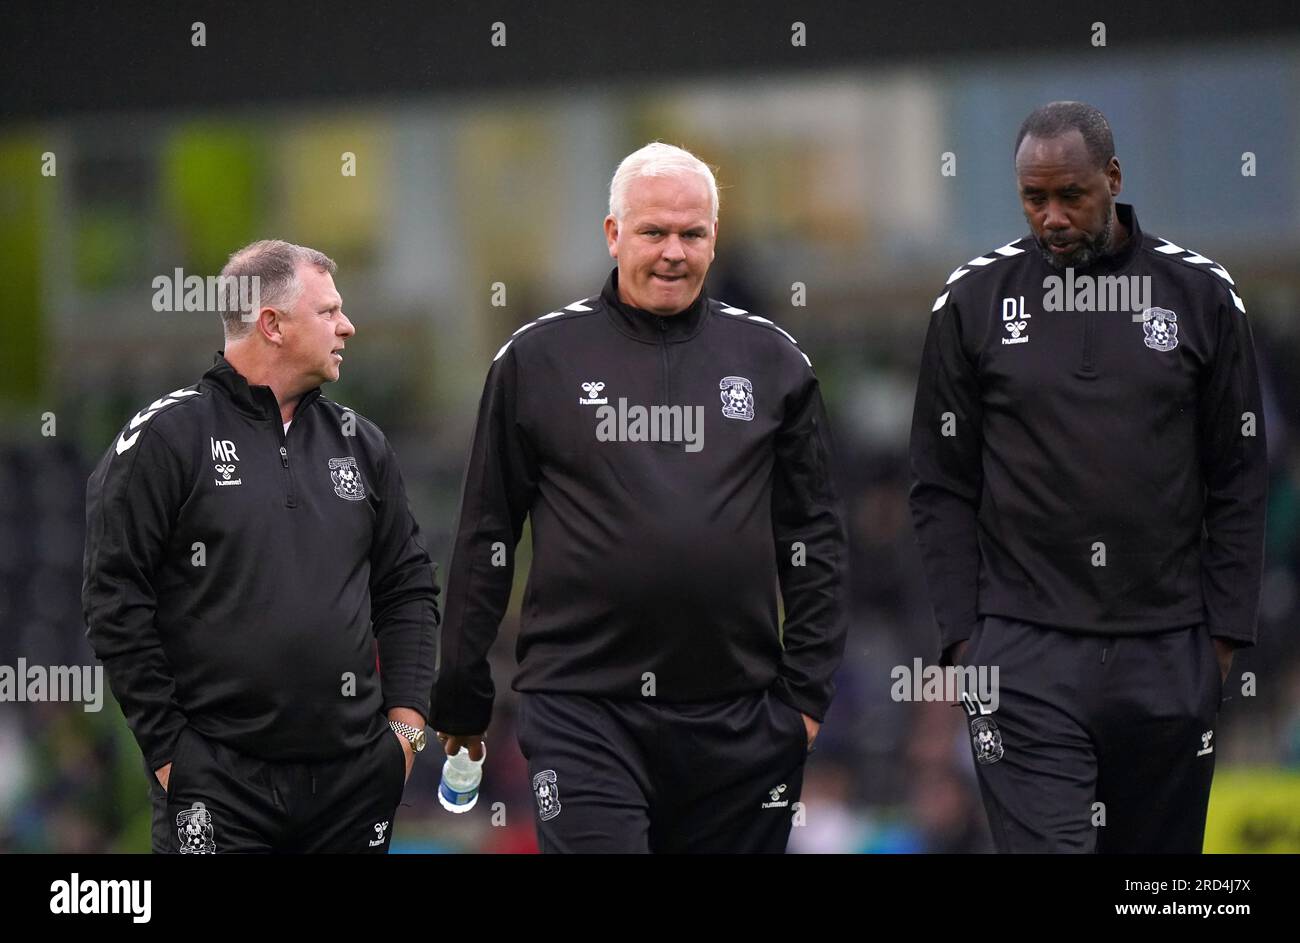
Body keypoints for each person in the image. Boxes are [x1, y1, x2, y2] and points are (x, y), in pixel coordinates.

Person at [432, 142, 848, 853]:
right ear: (613, 233)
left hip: (741, 723)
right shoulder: (536, 362)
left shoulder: (772, 361)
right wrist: (463, 695)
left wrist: (804, 699)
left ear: (714, 239)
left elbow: (816, 539)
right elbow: (485, 536)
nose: (674, 252)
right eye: (654, 231)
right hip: (581, 713)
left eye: (693, 233)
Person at [909, 102, 1268, 853]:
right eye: (1033, 199)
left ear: (1113, 178)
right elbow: (941, 482)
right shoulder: (973, 300)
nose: (1052, 217)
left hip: (1168, 652)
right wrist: (963, 644)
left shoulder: (1200, 295)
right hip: (1021, 657)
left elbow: (1238, 474)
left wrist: (1223, 637)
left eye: (1070, 195)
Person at [83, 240, 440, 853]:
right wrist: (172, 755)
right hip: (219, 789)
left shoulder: (361, 443)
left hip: (352, 787)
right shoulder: (166, 438)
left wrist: (404, 734)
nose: (347, 326)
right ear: (272, 324)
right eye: (329, 312)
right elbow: (114, 601)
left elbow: (408, 588)